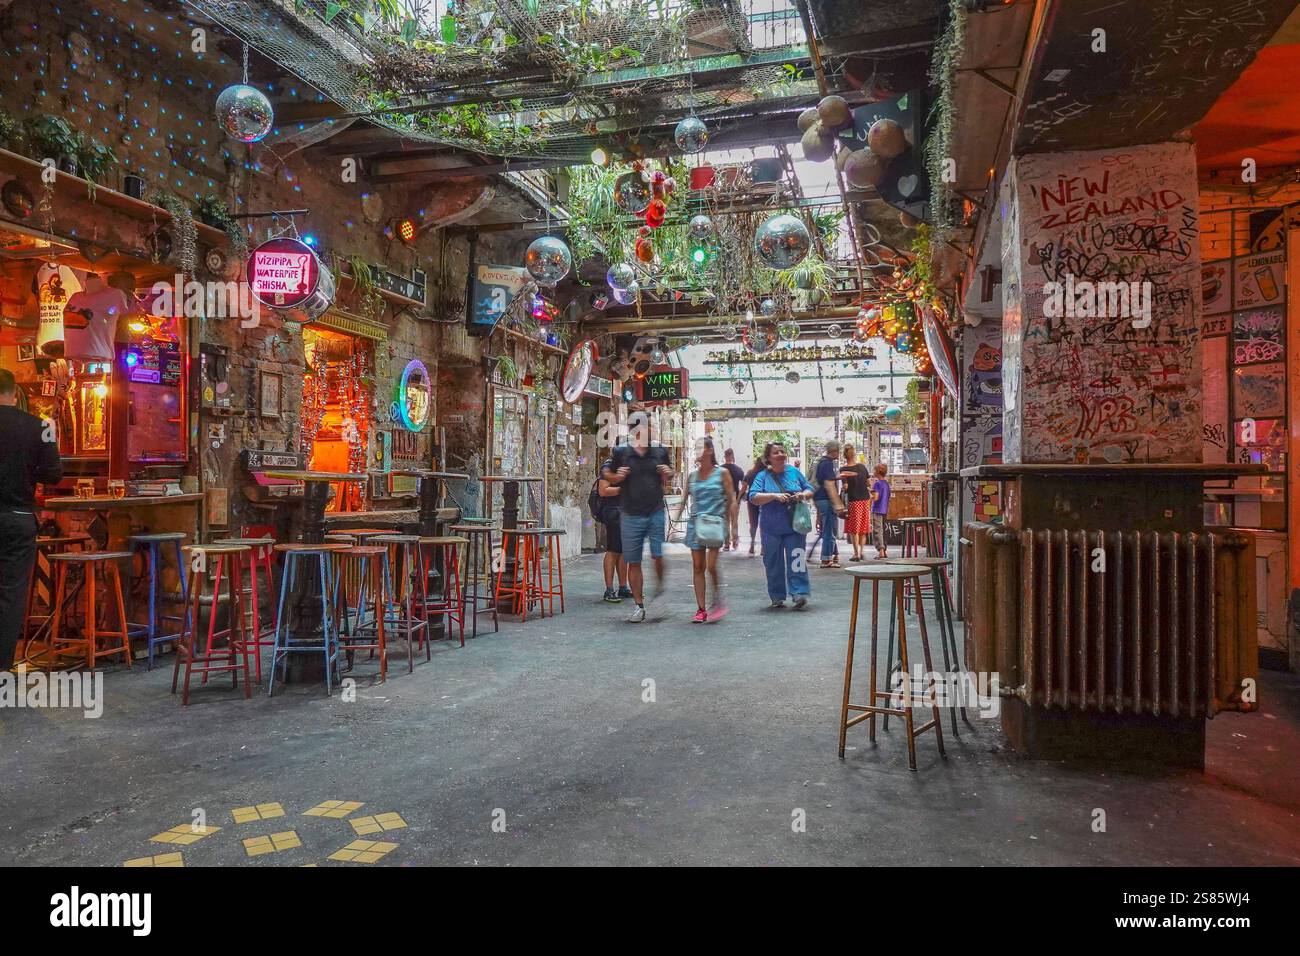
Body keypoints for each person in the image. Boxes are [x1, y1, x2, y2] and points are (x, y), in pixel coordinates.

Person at [0, 367, 62, 670]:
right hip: (17, 517)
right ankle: (1, 666)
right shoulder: (40, 426)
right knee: (10, 593)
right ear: (15, 393)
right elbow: (53, 474)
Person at [609, 411, 673, 623]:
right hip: (630, 514)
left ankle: (660, 591)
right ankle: (639, 605)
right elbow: (607, 474)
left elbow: (669, 475)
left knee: (658, 555)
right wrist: (617, 476)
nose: (653, 429)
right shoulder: (621, 452)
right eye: (650, 425)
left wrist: (668, 473)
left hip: (655, 511)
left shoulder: (660, 451)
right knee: (633, 561)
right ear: (638, 430)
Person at [673, 437, 735, 622]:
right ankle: (701, 609)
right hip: (695, 525)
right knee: (698, 567)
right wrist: (673, 523)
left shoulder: (722, 473)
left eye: (700, 447)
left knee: (711, 565)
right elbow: (684, 500)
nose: (696, 451)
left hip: (715, 524)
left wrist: (729, 526)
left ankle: (717, 600)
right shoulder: (692, 475)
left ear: (709, 450)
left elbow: (731, 499)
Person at [747, 441, 815, 609]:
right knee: (772, 562)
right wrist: (774, 496)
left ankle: (799, 592)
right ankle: (777, 595)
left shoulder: (794, 472)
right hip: (771, 527)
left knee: (797, 559)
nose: (781, 454)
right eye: (776, 452)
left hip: (795, 525)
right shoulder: (762, 476)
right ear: (769, 458)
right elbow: (753, 496)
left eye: (783, 451)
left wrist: (802, 495)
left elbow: (809, 488)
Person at [595, 458, 632, 602]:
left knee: (623, 551)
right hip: (614, 512)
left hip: (626, 512)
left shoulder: (629, 466)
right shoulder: (609, 465)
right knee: (613, 550)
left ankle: (623, 587)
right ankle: (609, 590)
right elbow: (603, 490)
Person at [812, 439, 846, 569]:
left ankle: (834, 554)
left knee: (829, 528)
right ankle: (826, 558)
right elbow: (829, 485)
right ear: (835, 451)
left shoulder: (820, 462)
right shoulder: (827, 463)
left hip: (819, 499)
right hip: (826, 499)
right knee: (829, 530)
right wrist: (838, 504)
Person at [840, 444, 871, 561]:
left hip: (854, 501)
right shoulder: (862, 467)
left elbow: (846, 486)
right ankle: (862, 551)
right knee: (863, 528)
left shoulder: (843, 470)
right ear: (854, 454)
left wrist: (844, 488)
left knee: (854, 530)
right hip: (865, 499)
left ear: (844, 455)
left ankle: (856, 553)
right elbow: (868, 483)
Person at [720, 448, 745, 551]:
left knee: (725, 521)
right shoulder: (738, 470)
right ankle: (735, 543)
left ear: (725, 457)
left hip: (723, 496)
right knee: (734, 521)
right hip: (734, 496)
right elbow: (744, 485)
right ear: (733, 456)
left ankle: (726, 544)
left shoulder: (720, 470)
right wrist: (739, 498)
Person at [740, 456, 763, 556]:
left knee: (753, 524)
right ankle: (763, 547)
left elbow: (744, 487)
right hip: (764, 499)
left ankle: (752, 544)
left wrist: (738, 498)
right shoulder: (766, 474)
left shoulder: (750, 473)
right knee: (763, 524)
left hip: (752, 500)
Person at [871, 462, 891, 559]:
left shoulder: (877, 484)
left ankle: (881, 551)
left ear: (878, 472)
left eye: (874, 470)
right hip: (884, 510)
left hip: (877, 510)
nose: (873, 472)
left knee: (877, 531)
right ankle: (884, 550)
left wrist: (870, 493)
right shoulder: (886, 484)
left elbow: (875, 498)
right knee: (883, 531)